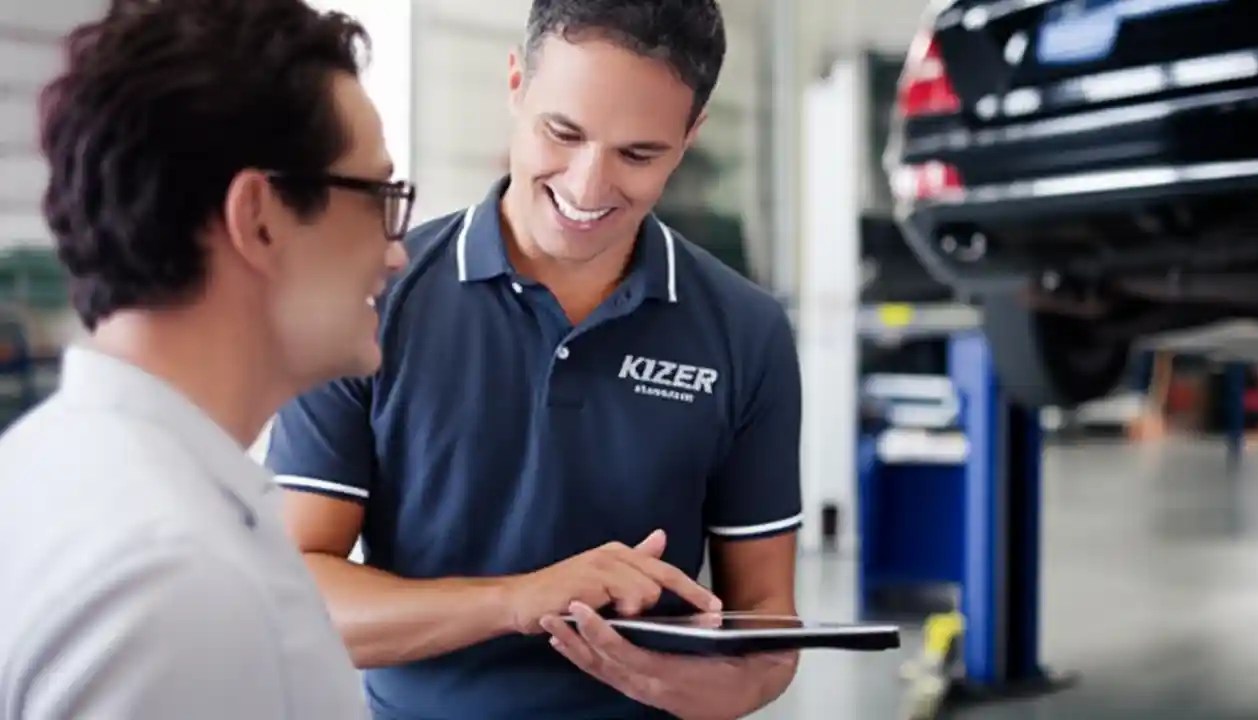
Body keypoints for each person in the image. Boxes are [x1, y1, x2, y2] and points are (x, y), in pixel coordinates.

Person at [266, 0, 803, 718]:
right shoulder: (370, 298)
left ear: (690, 135)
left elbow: (769, 617)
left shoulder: (748, 330)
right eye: (563, 132)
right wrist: (518, 600)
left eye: (638, 154)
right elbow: (298, 597)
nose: (587, 187)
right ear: (515, 83)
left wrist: (730, 688)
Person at [0, 0, 410, 717]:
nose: (396, 250)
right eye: (377, 196)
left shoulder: (47, 468)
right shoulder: (175, 583)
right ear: (258, 216)